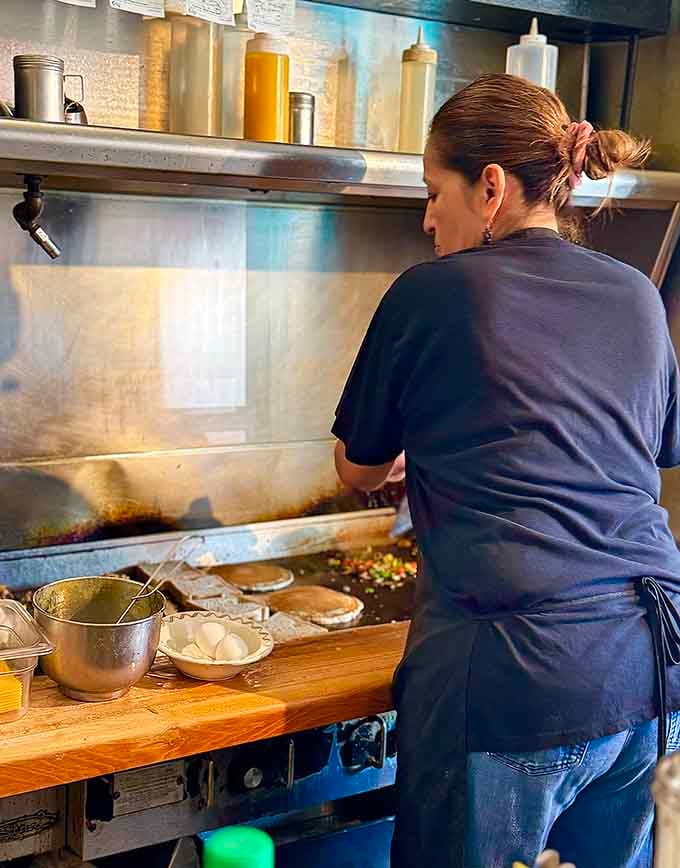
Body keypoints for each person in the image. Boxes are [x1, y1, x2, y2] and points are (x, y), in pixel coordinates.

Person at [332, 73, 680, 868]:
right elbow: (640, 450)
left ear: (490, 186)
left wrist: (419, 447)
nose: (427, 218)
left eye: (433, 191)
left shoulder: (433, 293)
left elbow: (358, 467)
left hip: (516, 676)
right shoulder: (635, 295)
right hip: (651, 673)